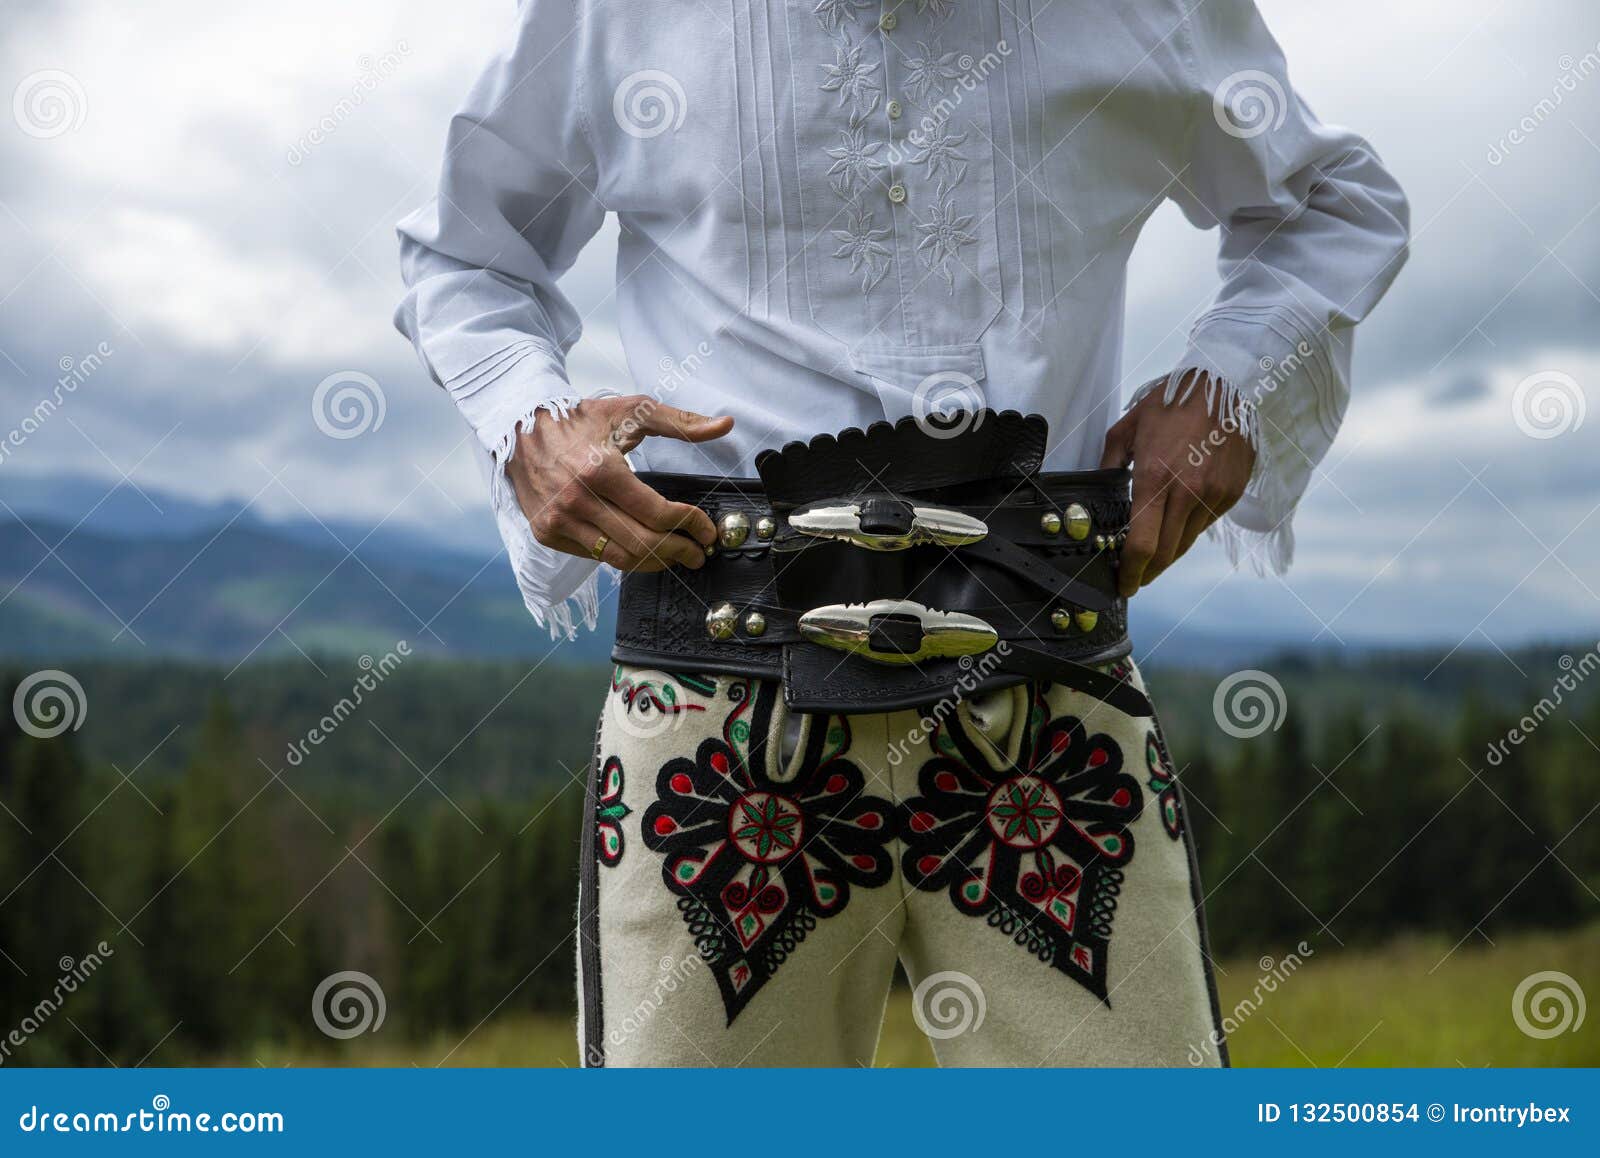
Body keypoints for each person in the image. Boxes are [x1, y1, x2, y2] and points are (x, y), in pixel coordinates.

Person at [395, 0, 1408, 1067]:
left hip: (1049, 694)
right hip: (713, 701)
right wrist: (531, 421)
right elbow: (468, 254)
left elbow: (1331, 204)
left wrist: (1231, 378)